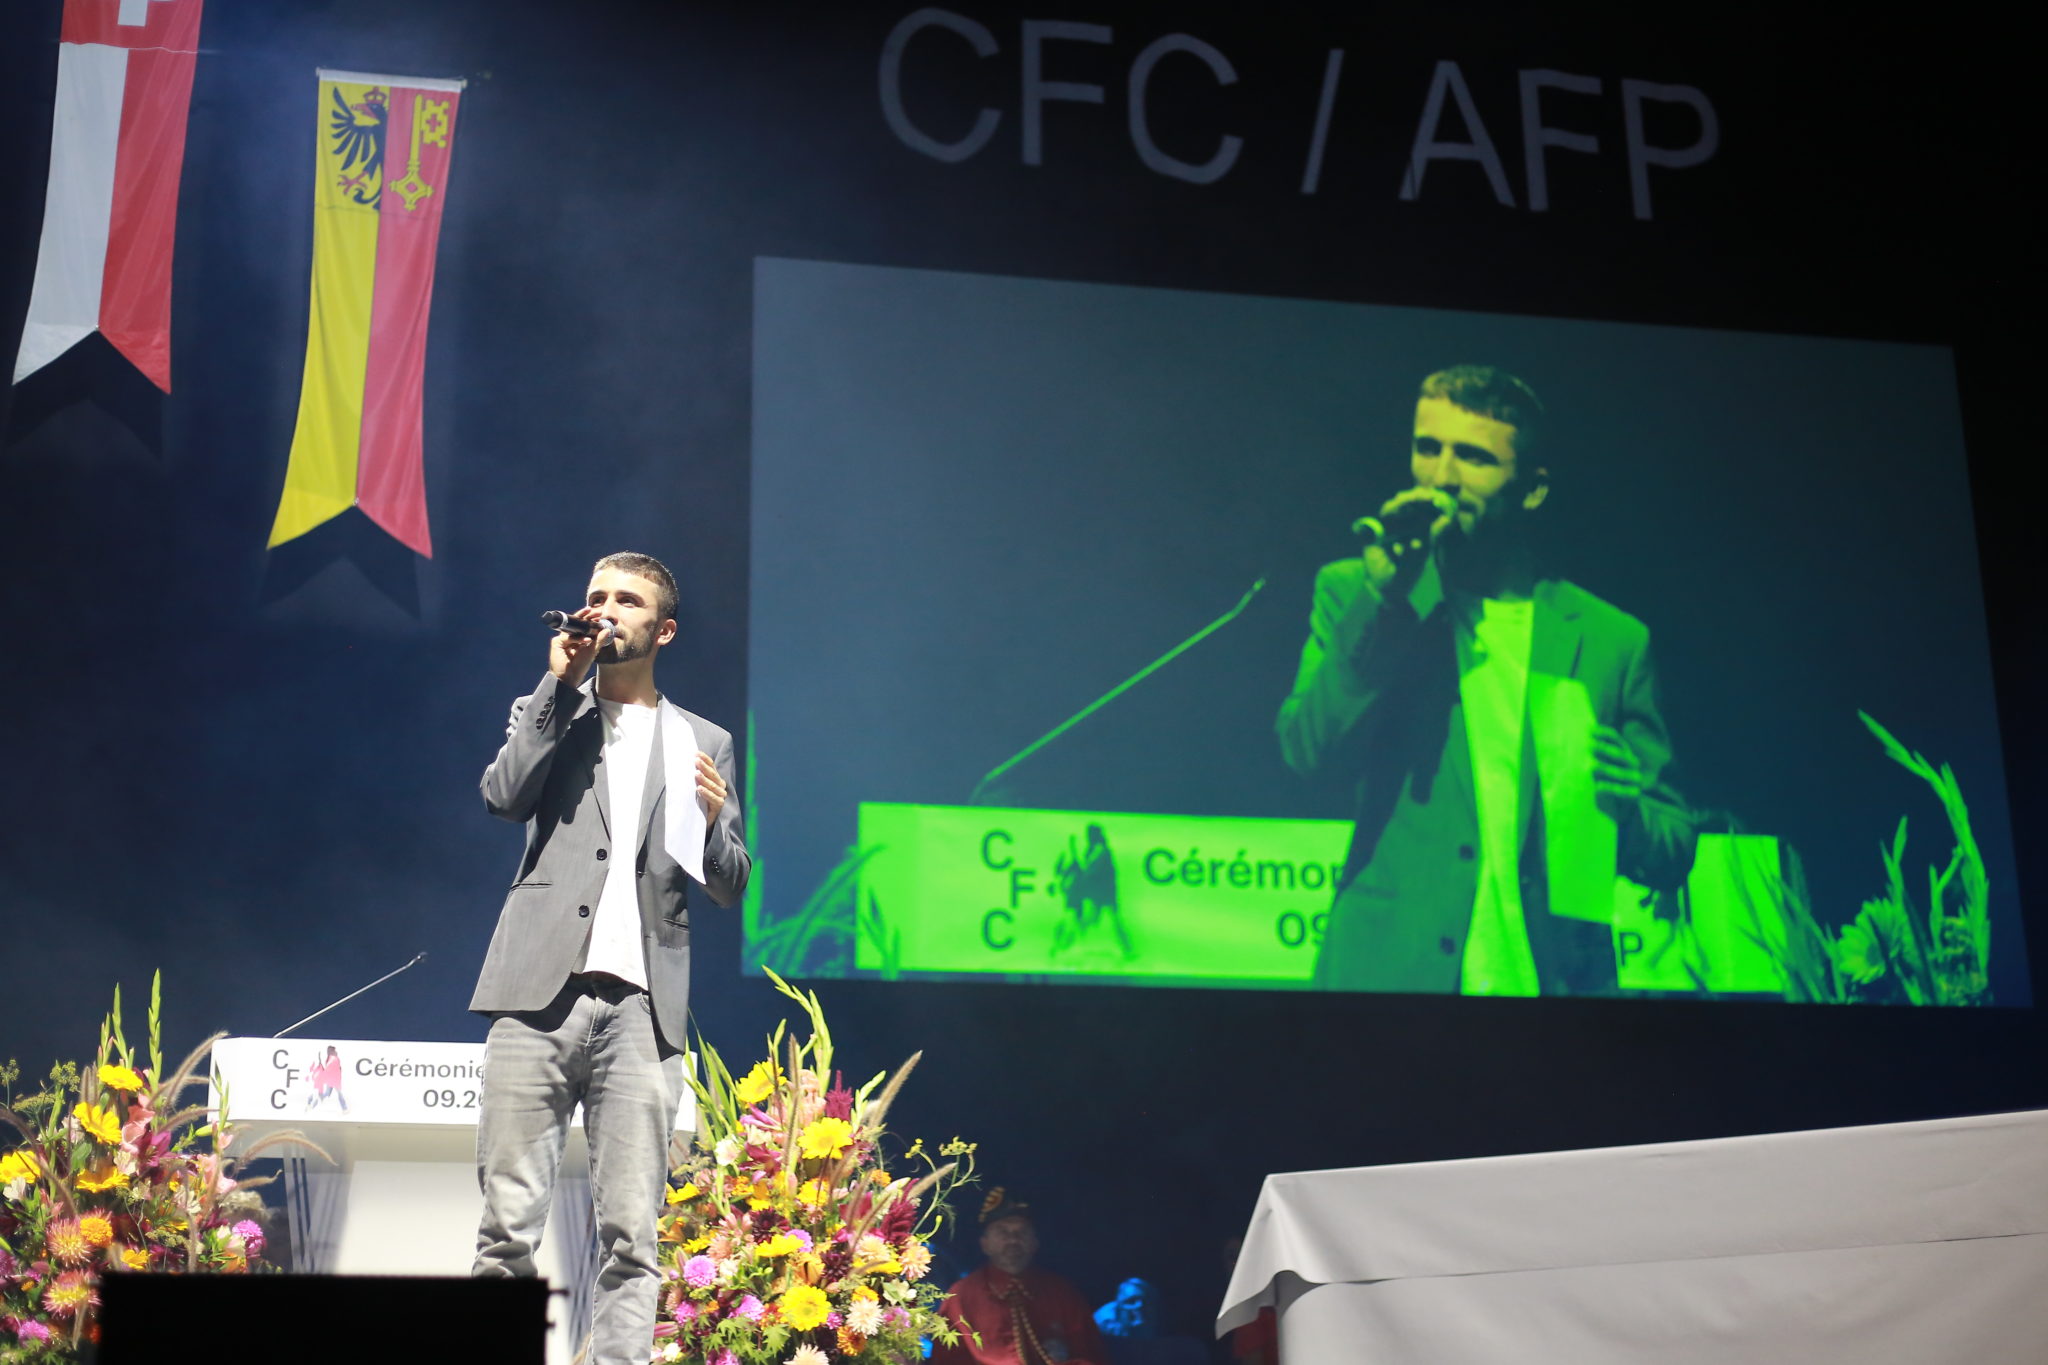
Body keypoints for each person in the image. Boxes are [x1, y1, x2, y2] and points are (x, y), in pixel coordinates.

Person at [1276, 366, 1693, 995]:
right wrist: (1384, 601)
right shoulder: (1356, 593)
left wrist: (1628, 812)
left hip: (1550, 984)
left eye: (1472, 458)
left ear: (1531, 489)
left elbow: (1673, 847)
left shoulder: (1611, 640)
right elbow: (1303, 752)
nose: (1441, 478)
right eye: (1427, 448)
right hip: (1390, 980)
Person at [468, 551, 750, 1365]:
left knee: (633, 1239)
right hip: (537, 994)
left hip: (642, 1009)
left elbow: (729, 884)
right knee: (506, 1230)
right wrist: (558, 687)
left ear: (662, 628)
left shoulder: (704, 740)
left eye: (626, 600)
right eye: (596, 596)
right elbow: (503, 795)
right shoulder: (551, 707)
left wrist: (714, 816)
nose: (605, 609)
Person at [933, 1190, 1109, 1365]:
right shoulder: (961, 1297)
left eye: (1022, 1232)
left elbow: (1091, 1354)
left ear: (1034, 1243)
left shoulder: (1061, 1292)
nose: (1013, 1240)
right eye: (1003, 1232)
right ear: (985, 1244)